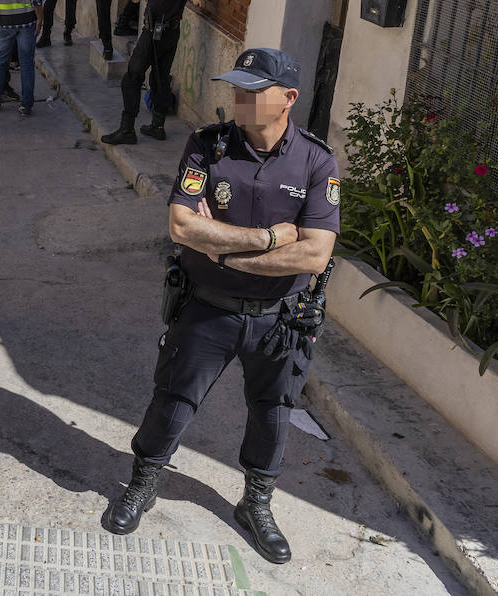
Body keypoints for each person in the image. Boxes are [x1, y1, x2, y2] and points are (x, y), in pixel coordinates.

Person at [104, 48, 338, 567]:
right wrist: (266, 239)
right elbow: (182, 226)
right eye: (236, 88)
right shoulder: (207, 145)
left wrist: (227, 252)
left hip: (281, 318)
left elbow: (316, 253)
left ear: (288, 100)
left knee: (274, 412)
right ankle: (143, 484)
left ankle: (255, 505)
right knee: (173, 400)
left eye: (252, 92)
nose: (238, 98)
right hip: (206, 307)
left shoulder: (318, 161)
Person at [102, 0, 197, 145]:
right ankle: (158, 125)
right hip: (172, 32)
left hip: (153, 32)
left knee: (133, 76)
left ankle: (127, 129)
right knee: (160, 78)